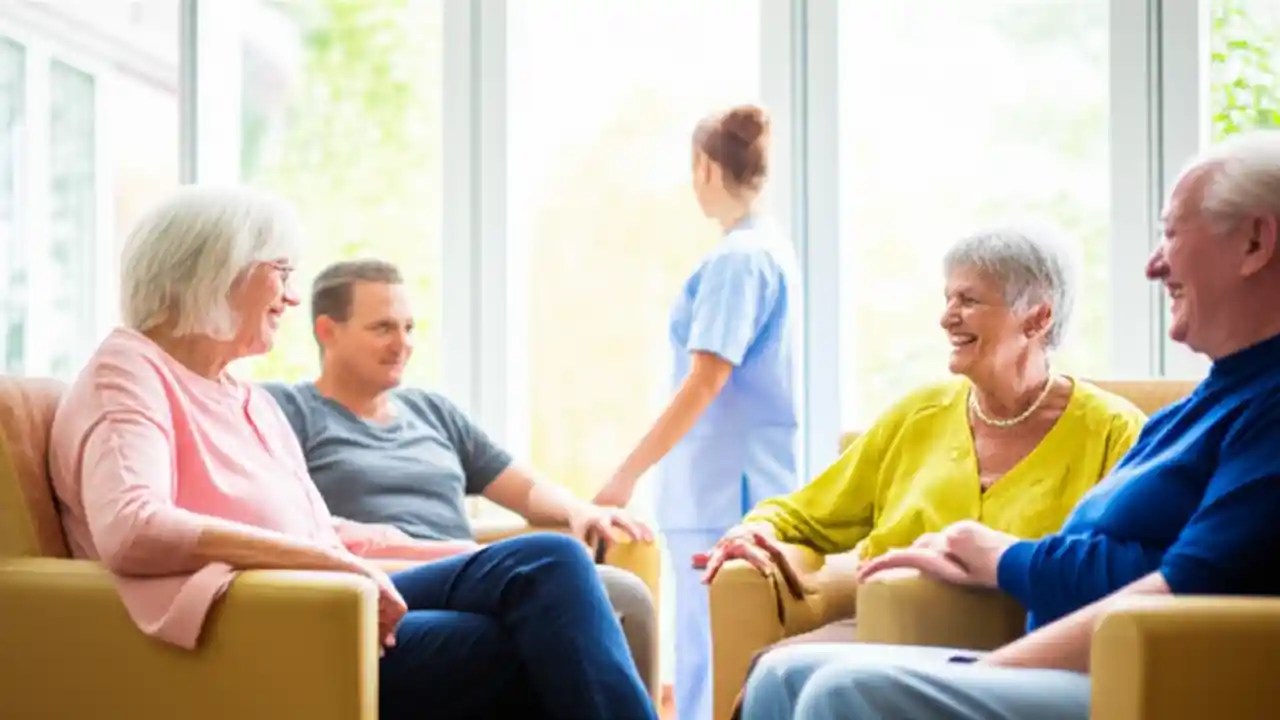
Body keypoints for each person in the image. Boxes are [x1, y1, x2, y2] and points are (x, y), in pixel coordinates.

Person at [47, 186, 657, 720]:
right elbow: (131, 528)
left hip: (325, 596)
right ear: (215, 270)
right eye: (279, 271)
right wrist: (332, 564)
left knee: (546, 560)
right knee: (521, 643)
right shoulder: (127, 375)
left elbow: (324, 530)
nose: (289, 297)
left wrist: (458, 555)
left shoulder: (240, 395)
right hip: (260, 625)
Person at [741, 130, 1280, 720]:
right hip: (1072, 652)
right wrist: (987, 559)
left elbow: (1189, 586)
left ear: (1256, 241)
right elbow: (1132, 564)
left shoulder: (1260, 405)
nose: (1155, 264)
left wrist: (1001, 574)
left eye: (1171, 232)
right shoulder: (1194, 411)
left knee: (840, 694)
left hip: (1148, 681)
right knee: (782, 674)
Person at [705, 222, 1148, 717]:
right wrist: (753, 532)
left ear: (1037, 319)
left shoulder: (1115, 431)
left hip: (1028, 651)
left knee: (828, 689)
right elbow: (800, 514)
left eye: (969, 300)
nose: (946, 317)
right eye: (947, 298)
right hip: (887, 633)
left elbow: (1126, 568)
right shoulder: (917, 415)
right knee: (776, 674)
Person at [263, 258, 660, 698]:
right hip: (385, 579)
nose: (403, 344)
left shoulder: (433, 413)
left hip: (469, 577)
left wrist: (580, 511)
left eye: (409, 328)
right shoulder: (289, 411)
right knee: (562, 598)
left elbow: (525, 489)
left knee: (625, 596)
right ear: (327, 331)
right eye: (382, 328)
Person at [590, 104, 802, 720]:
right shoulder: (766, 250)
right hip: (732, 482)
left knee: (713, 656)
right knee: (715, 652)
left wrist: (626, 474)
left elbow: (706, 378)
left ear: (706, 167)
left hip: (724, 490)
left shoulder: (739, 261)